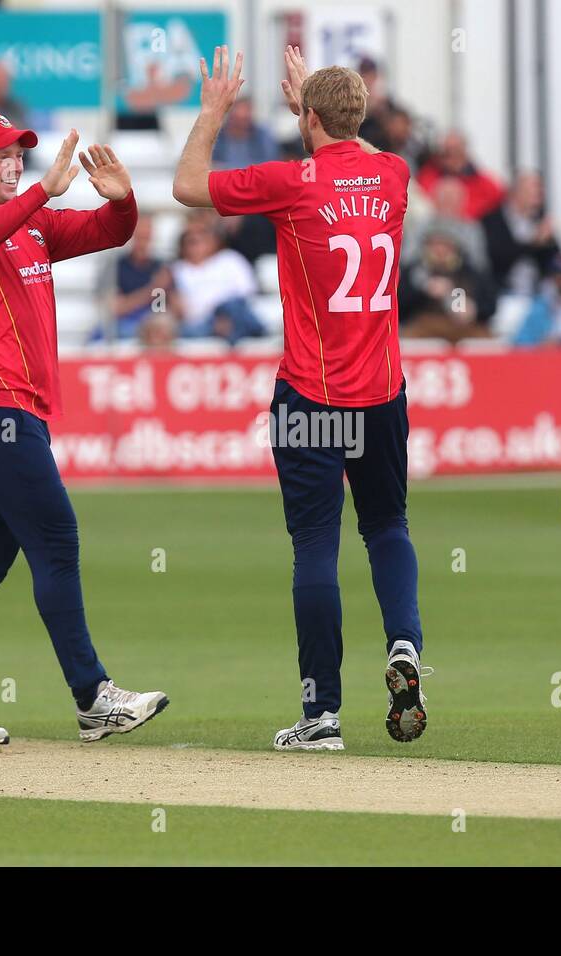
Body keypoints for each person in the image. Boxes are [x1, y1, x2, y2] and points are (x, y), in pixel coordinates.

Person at [173, 46, 429, 751]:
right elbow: (360, 151)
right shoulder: (394, 173)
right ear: (360, 117)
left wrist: (214, 112)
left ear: (305, 118)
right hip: (382, 392)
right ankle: (405, 646)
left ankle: (321, 714)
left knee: (316, 545)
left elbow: (188, 186)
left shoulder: (291, 181)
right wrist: (325, 116)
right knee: (388, 527)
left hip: (312, 395)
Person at [0, 111, 168, 747]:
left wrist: (124, 200)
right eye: (2, 156)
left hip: (14, 411)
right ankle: (93, 697)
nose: (15, 164)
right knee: (56, 538)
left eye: (20, 155)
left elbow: (108, 232)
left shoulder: (34, 223)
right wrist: (44, 191)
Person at [169, 213, 264, 342]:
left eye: (201, 239)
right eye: (191, 242)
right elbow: (178, 308)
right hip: (202, 324)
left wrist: (224, 316)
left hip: (233, 316)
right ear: (183, 245)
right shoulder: (177, 269)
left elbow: (247, 294)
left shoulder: (230, 259)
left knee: (234, 306)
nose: (197, 246)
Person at [397, 228, 495, 342]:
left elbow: (491, 305)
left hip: (466, 328)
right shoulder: (415, 271)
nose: (440, 251)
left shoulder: (471, 272)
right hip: (426, 327)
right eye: (435, 245)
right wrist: (424, 290)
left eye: (446, 246)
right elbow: (400, 306)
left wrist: (475, 310)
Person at [481, 169, 559, 296]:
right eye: (533, 189)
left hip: (537, 294)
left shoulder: (539, 219)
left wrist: (549, 242)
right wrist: (533, 244)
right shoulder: (493, 220)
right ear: (515, 192)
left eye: (540, 189)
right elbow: (497, 258)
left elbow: (555, 260)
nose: (539, 194)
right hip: (503, 294)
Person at [417, 131, 504, 221]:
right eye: (447, 152)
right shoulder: (427, 178)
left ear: (465, 151)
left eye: (457, 151)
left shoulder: (487, 185)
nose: (452, 156)